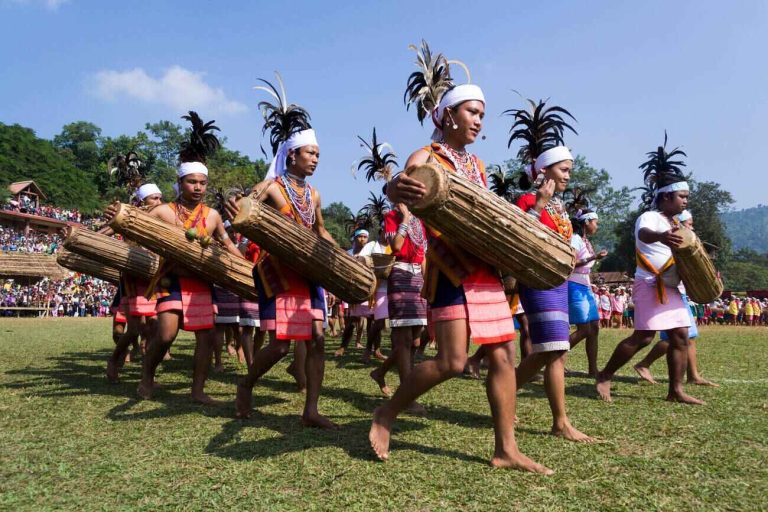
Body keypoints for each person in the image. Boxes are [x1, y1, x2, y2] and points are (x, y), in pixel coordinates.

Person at [369, 45, 549, 473]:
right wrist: (398, 189)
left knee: (503, 355)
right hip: (450, 269)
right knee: (451, 361)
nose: (478, 121)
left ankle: (506, 448)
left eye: (482, 115)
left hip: (484, 269)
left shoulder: (479, 166)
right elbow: (397, 186)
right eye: (472, 112)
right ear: (448, 115)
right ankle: (386, 413)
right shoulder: (425, 157)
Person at [114, 112, 244, 404]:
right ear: (180, 182)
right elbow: (135, 230)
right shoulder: (163, 212)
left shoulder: (212, 216)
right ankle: (147, 374)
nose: (198, 187)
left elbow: (227, 244)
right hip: (171, 278)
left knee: (207, 339)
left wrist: (246, 267)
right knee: (167, 334)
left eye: (202, 183)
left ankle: (198, 391)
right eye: (191, 182)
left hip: (201, 281)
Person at [232, 76, 337, 429]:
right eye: (310, 153)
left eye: (319, 154)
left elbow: (319, 229)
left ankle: (311, 409)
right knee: (279, 346)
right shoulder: (274, 187)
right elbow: (246, 207)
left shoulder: (316, 195)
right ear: (291, 154)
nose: (315, 159)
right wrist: (245, 198)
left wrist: (343, 257)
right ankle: (246, 384)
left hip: (308, 272)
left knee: (318, 339)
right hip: (278, 271)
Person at [509, 97, 594, 443]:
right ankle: (557, 420)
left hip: (559, 281)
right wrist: (540, 203)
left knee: (554, 349)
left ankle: (510, 391)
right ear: (544, 170)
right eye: (563, 169)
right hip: (536, 281)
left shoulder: (560, 208)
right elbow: (518, 235)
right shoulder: (529, 200)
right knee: (554, 348)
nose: (568, 175)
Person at [596, 134, 703, 405]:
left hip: (671, 286)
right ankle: (605, 374)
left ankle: (675, 390)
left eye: (686, 197)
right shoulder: (650, 217)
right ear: (666, 196)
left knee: (680, 336)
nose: (685, 201)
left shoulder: (676, 221)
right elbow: (644, 234)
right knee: (643, 337)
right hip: (649, 284)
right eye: (682, 196)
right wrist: (662, 237)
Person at [632, 210, 718, 387]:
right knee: (650, 337)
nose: (691, 227)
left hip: (675, 290)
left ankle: (690, 376)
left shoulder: (678, 238)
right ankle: (635, 366)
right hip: (660, 288)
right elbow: (643, 234)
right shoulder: (653, 220)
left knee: (685, 336)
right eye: (690, 223)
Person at [369, 202, 428, 408]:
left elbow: (423, 253)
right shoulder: (391, 216)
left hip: (418, 277)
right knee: (403, 339)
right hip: (400, 273)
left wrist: (427, 281)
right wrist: (404, 219)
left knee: (415, 341)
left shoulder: (422, 217)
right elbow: (395, 247)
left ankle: (381, 372)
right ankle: (407, 396)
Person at [106, 183, 163, 382]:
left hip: (156, 278)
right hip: (133, 278)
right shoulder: (129, 218)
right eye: (154, 198)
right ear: (142, 201)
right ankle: (114, 359)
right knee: (137, 329)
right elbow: (105, 233)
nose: (158, 202)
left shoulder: (164, 218)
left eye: (160, 198)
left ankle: (147, 372)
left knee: (156, 328)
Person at [566, 199, 607, 377]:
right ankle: (551, 357)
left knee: (594, 328)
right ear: (587, 222)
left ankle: (593, 369)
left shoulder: (585, 241)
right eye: (595, 222)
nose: (596, 226)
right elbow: (570, 262)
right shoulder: (575, 239)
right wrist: (593, 258)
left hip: (585, 286)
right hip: (574, 284)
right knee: (584, 329)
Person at [335, 229, 372, 356]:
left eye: (365, 237)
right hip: (352, 291)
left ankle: (370, 349)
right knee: (350, 320)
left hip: (367, 291)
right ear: (355, 238)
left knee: (371, 320)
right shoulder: (348, 254)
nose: (362, 239)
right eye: (360, 237)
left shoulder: (370, 253)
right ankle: (343, 347)